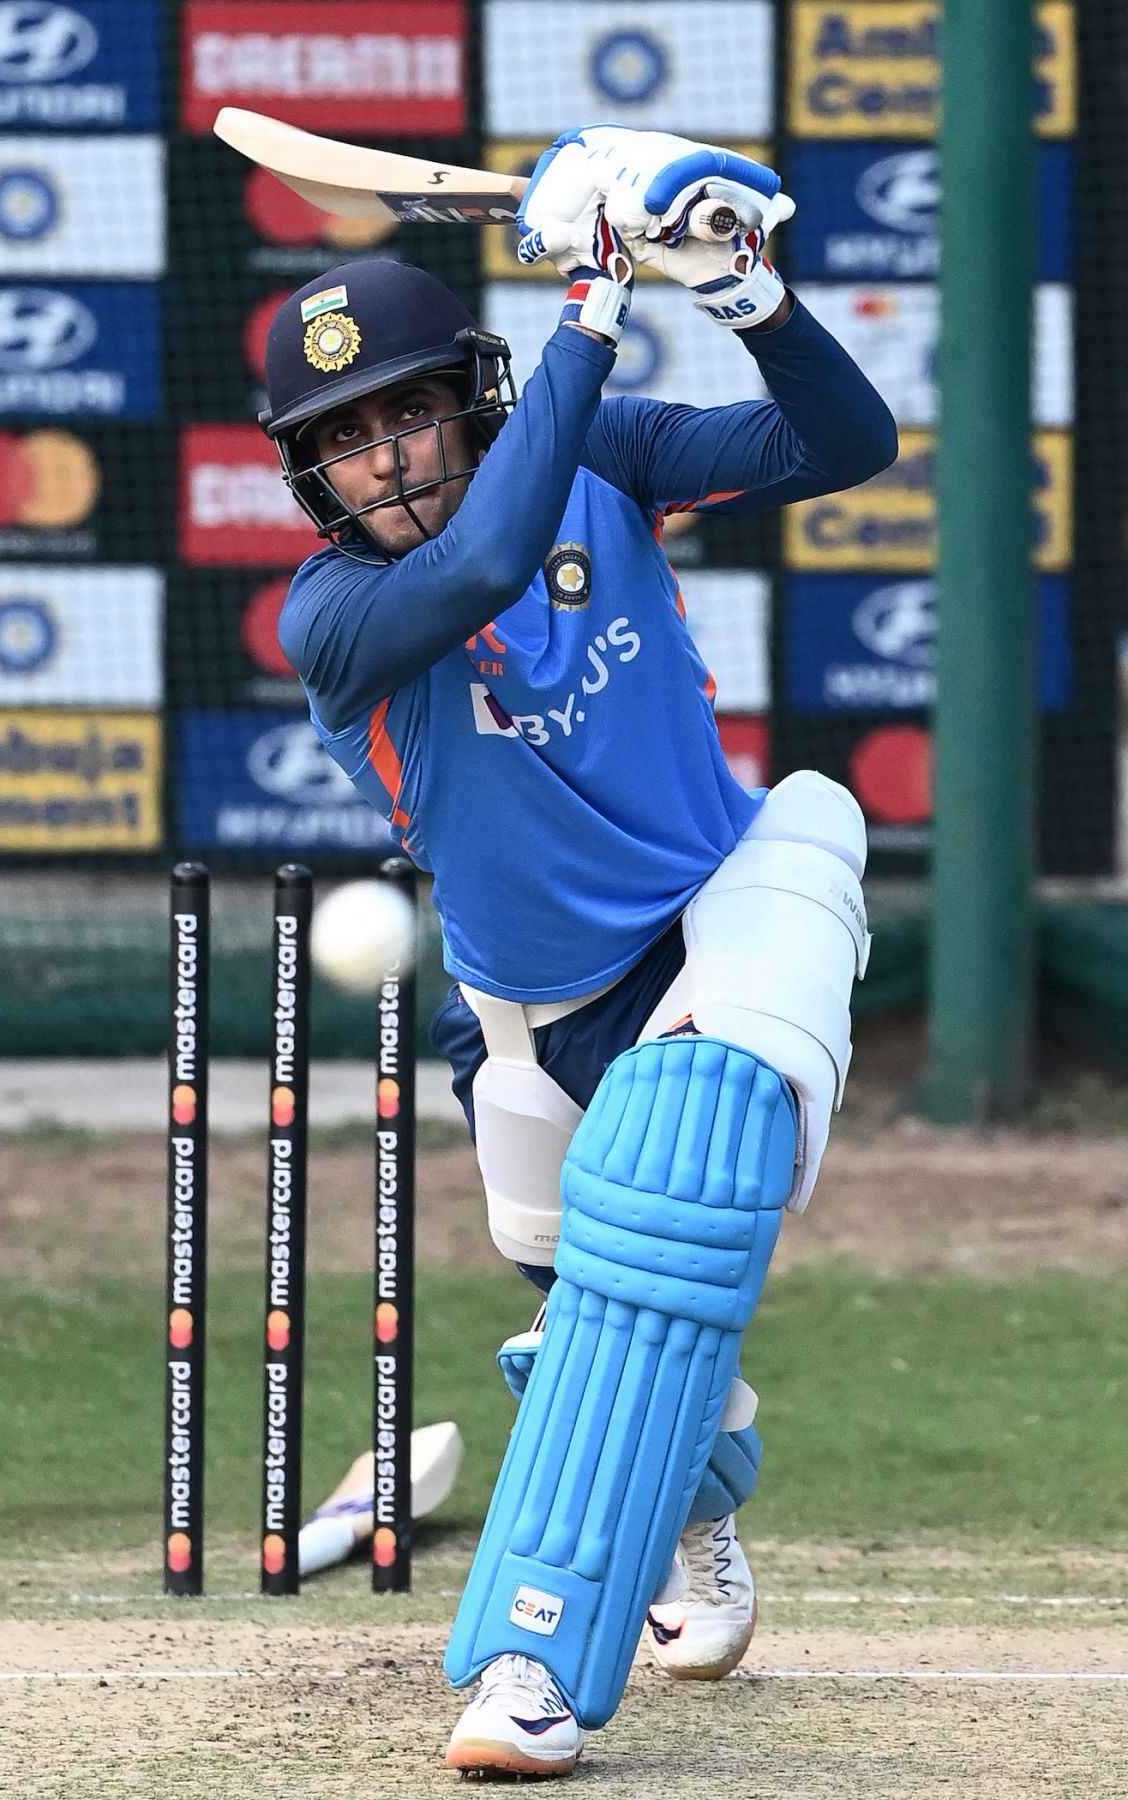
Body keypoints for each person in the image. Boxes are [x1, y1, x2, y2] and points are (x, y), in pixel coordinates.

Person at [266, 126, 896, 1781]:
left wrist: (749, 294)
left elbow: (849, 441)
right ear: (310, 480)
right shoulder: (332, 618)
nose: (386, 460)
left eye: (408, 412)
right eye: (344, 441)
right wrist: (599, 300)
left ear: (473, 400)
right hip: (522, 1021)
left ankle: (533, 1673)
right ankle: (699, 1514)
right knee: (610, 1329)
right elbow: (485, 560)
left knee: (644, 1282)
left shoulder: (600, 451)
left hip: (714, 927)